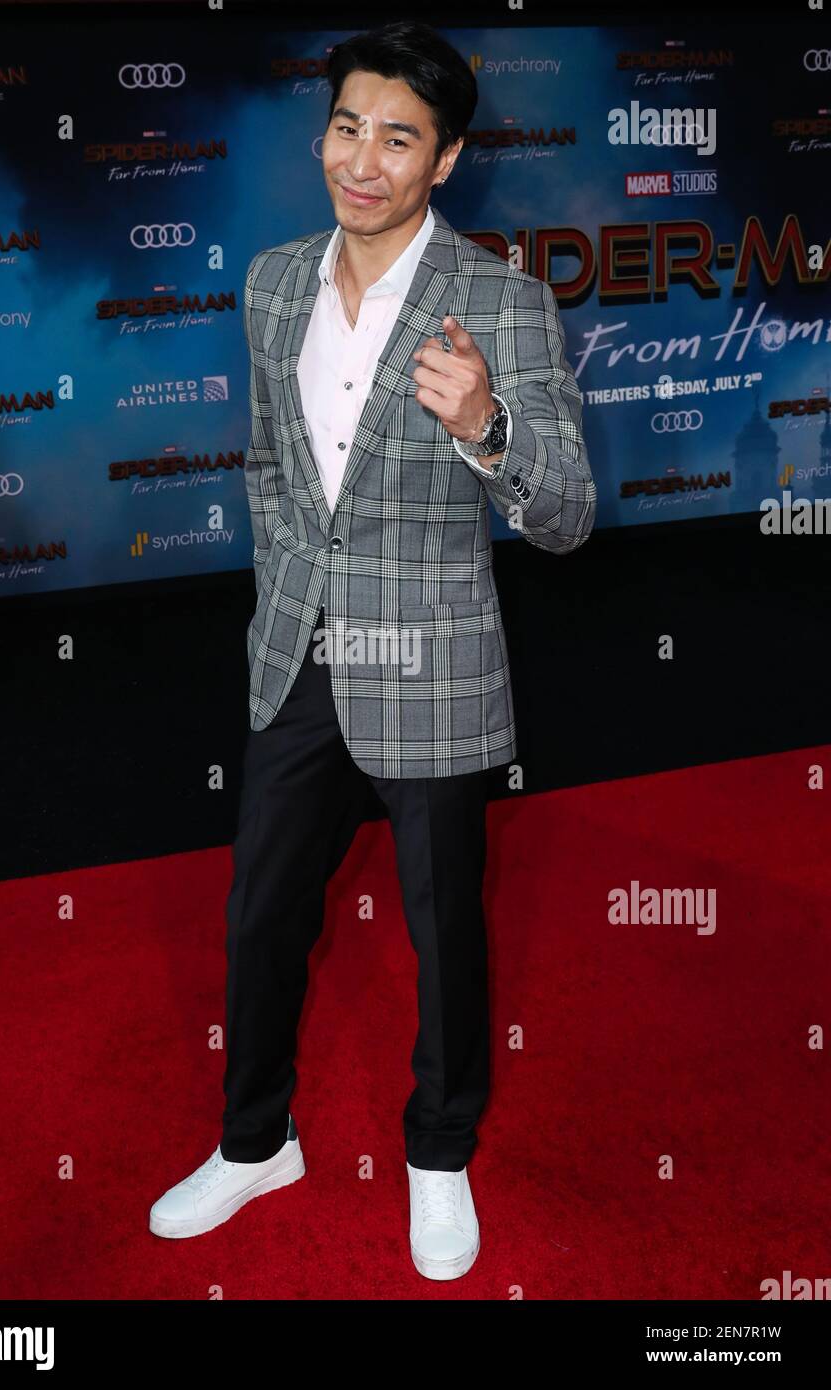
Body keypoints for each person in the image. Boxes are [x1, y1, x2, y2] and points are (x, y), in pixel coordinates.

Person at [150, 19, 596, 1281]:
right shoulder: (274, 281)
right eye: (348, 127)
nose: (363, 158)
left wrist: (489, 425)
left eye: (397, 138)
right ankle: (255, 1142)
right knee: (258, 920)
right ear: (323, 134)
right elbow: (262, 464)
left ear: (443, 161)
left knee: (443, 936)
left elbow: (563, 515)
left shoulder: (501, 302)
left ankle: (438, 1157)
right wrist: (282, 589)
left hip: (432, 665)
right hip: (298, 653)